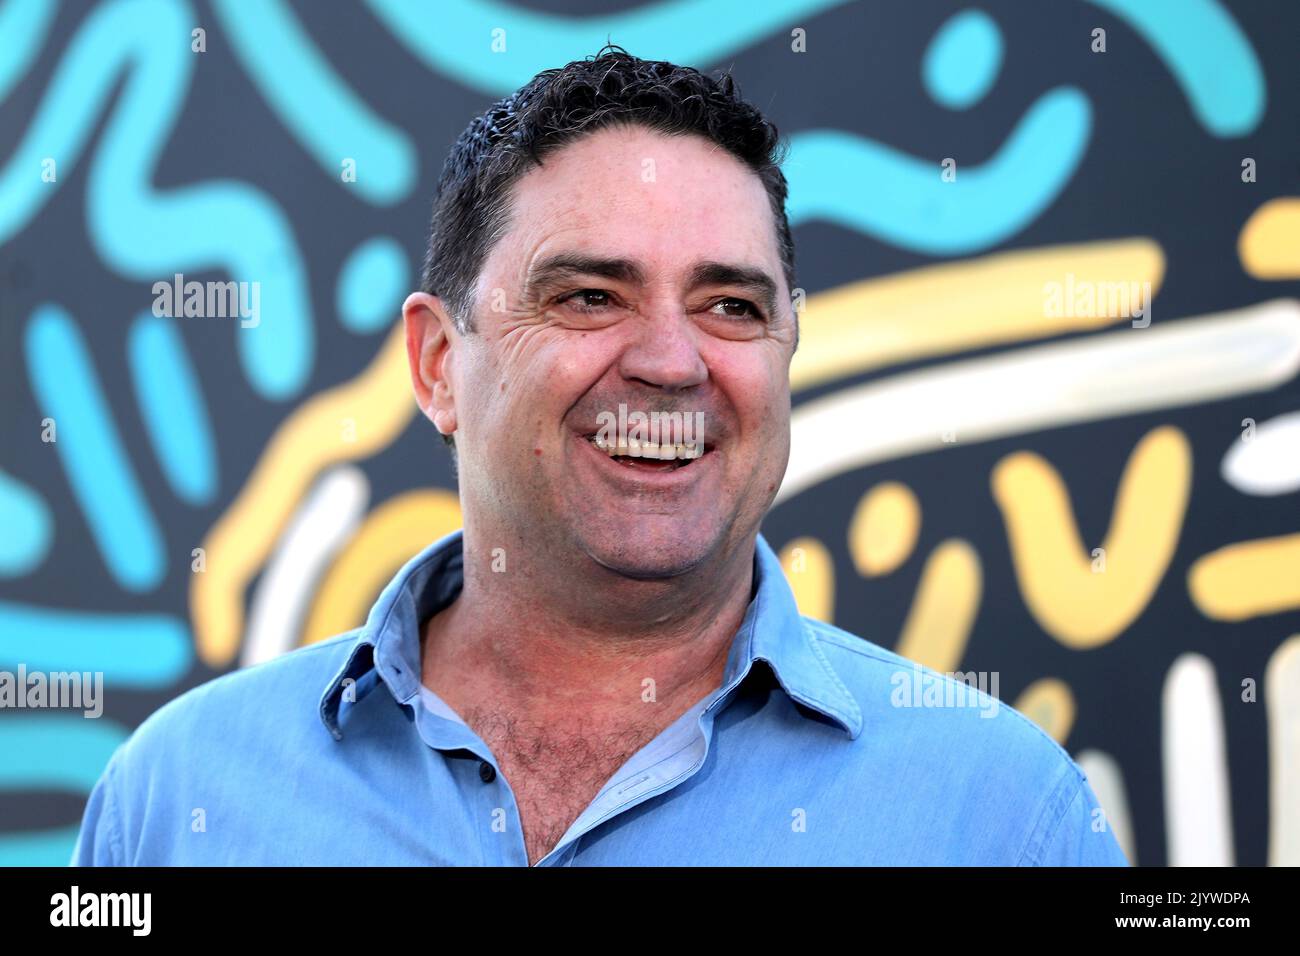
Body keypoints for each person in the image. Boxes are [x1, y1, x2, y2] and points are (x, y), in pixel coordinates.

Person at [72, 45, 1128, 867]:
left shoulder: (999, 814)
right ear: (438, 363)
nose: (672, 361)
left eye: (729, 304)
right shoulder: (176, 798)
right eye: (588, 296)